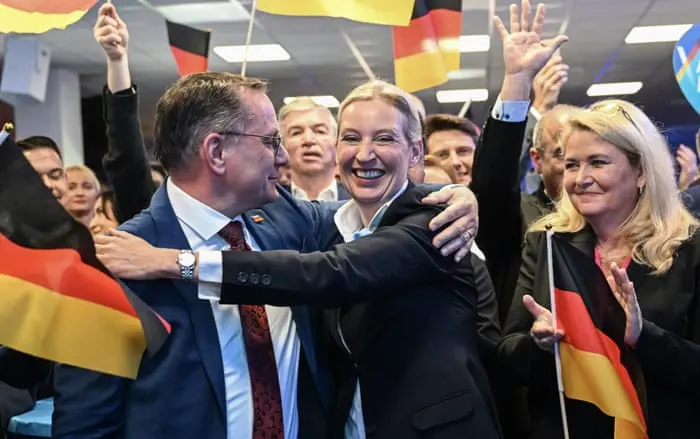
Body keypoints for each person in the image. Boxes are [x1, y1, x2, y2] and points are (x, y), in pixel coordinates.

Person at [53, 6, 479, 439]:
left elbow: (356, 235)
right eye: (272, 140)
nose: (283, 155)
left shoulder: (284, 219)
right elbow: (85, 426)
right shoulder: (115, 265)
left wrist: (457, 196)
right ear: (217, 152)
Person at [499, 100, 700, 438]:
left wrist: (644, 338)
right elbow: (508, 356)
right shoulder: (547, 243)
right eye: (572, 164)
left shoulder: (690, 248)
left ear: (641, 172)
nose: (580, 179)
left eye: (598, 162)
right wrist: (538, 343)